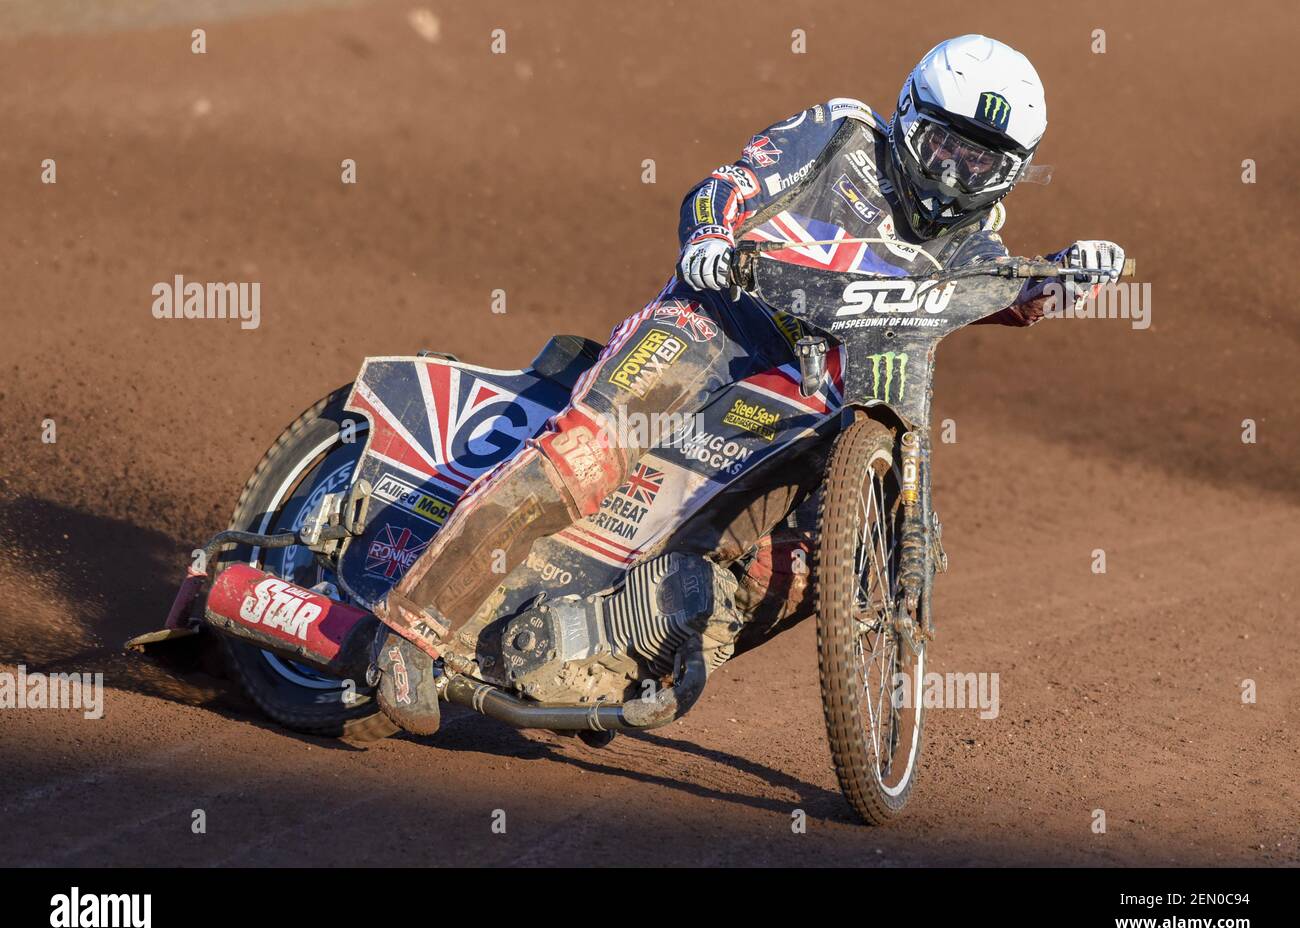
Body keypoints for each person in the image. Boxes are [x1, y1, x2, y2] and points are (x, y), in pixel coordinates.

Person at [371, 34, 1125, 727]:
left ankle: (639, 643)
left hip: (810, 387)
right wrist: (709, 235)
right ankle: (409, 628)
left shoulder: (971, 240)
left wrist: (1067, 277)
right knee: (590, 454)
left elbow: (999, 297)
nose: (956, 176)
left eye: (983, 164)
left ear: (1013, 172)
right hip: (716, 322)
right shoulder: (843, 135)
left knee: (820, 540)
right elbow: (730, 182)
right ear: (907, 117)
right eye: (942, 148)